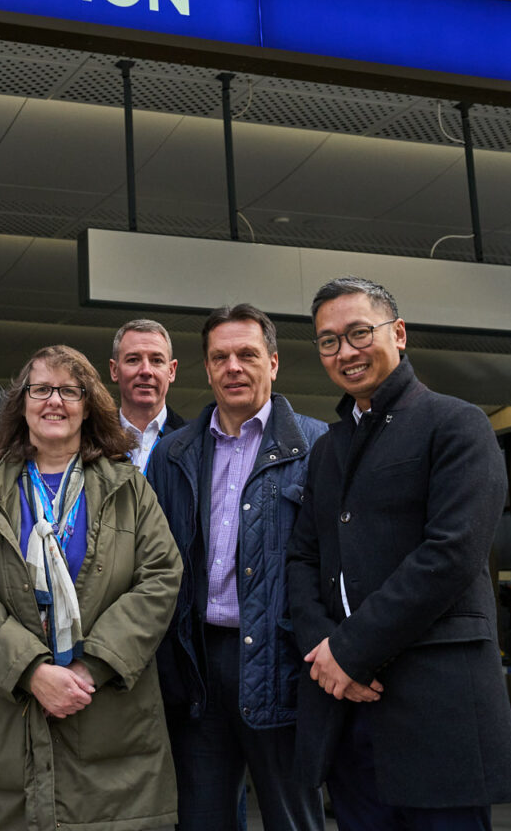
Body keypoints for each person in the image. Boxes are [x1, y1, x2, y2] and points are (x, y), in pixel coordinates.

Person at [287, 275, 511, 829]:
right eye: (328, 341)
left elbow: (451, 554)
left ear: (398, 333)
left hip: (436, 709)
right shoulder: (327, 449)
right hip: (344, 710)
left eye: (359, 333)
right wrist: (325, 652)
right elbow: (302, 559)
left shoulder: (457, 423)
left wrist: (350, 651)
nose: (345, 352)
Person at [0, 345, 183, 831]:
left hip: (107, 716)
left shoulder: (129, 488)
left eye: (70, 391)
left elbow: (160, 578)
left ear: (88, 406)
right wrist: (31, 671)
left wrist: (91, 668)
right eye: (41, 389)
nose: (54, 401)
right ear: (21, 403)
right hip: (4, 726)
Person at [146, 304, 326, 830]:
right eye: (220, 357)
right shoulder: (173, 453)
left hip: (282, 661)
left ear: (273, 362)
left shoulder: (316, 446)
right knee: (201, 819)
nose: (234, 367)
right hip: (198, 667)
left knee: (292, 819)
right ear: (206, 369)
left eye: (247, 354)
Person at [109, 318, 186, 471]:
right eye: (133, 360)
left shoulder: (195, 441)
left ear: (171, 371)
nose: (146, 371)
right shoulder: (91, 439)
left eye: (156, 360)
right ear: (114, 370)